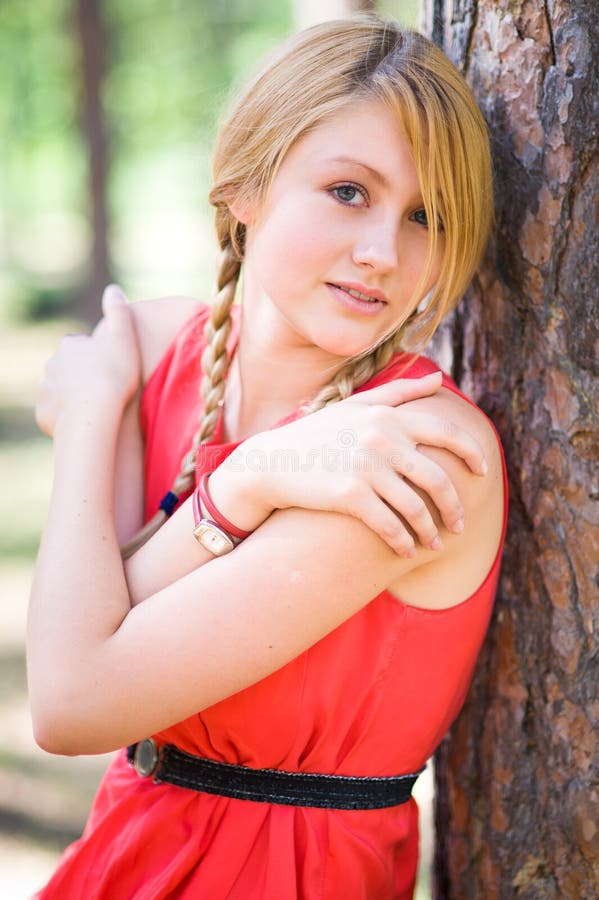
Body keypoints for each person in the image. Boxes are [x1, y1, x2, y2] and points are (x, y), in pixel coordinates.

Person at [28, 14, 507, 900]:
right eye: (348, 191)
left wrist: (91, 425)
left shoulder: (414, 442)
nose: (381, 254)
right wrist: (243, 482)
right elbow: (92, 635)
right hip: (123, 850)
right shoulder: (150, 345)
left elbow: (72, 695)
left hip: (286, 877)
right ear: (244, 185)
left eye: (425, 216)